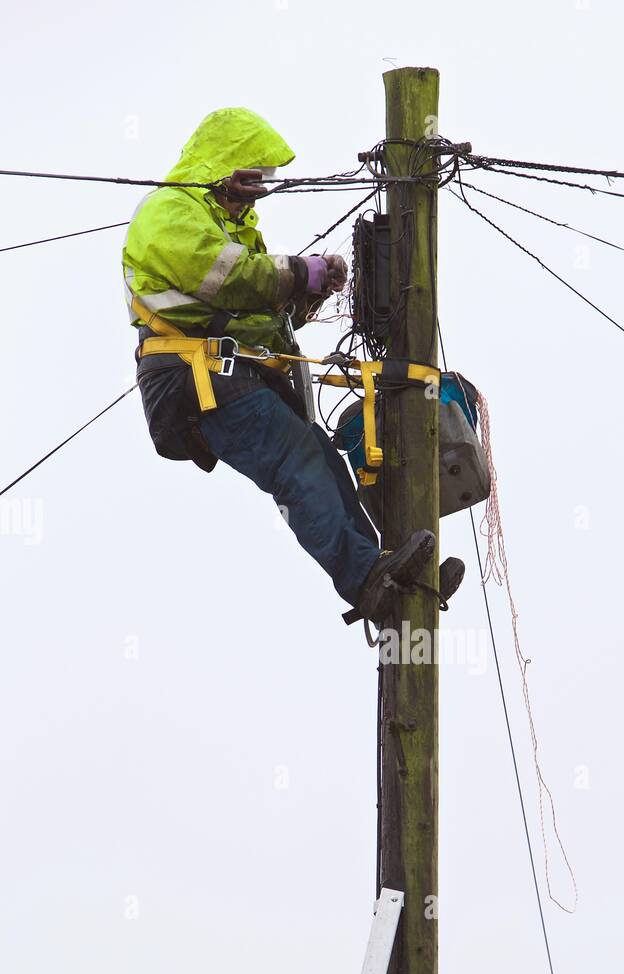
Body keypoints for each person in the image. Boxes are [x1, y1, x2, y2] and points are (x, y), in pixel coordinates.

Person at [122, 107, 458, 622]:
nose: (259, 190)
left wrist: (305, 297)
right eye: (254, 176)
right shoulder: (170, 211)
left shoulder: (228, 224)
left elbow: (255, 316)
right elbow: (232, 279)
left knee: (319, 457)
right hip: (191, 375)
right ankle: (366, 580)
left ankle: (381, 571)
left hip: (224, 370)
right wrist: (301, 272)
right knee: (296, 463)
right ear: (222, 166)